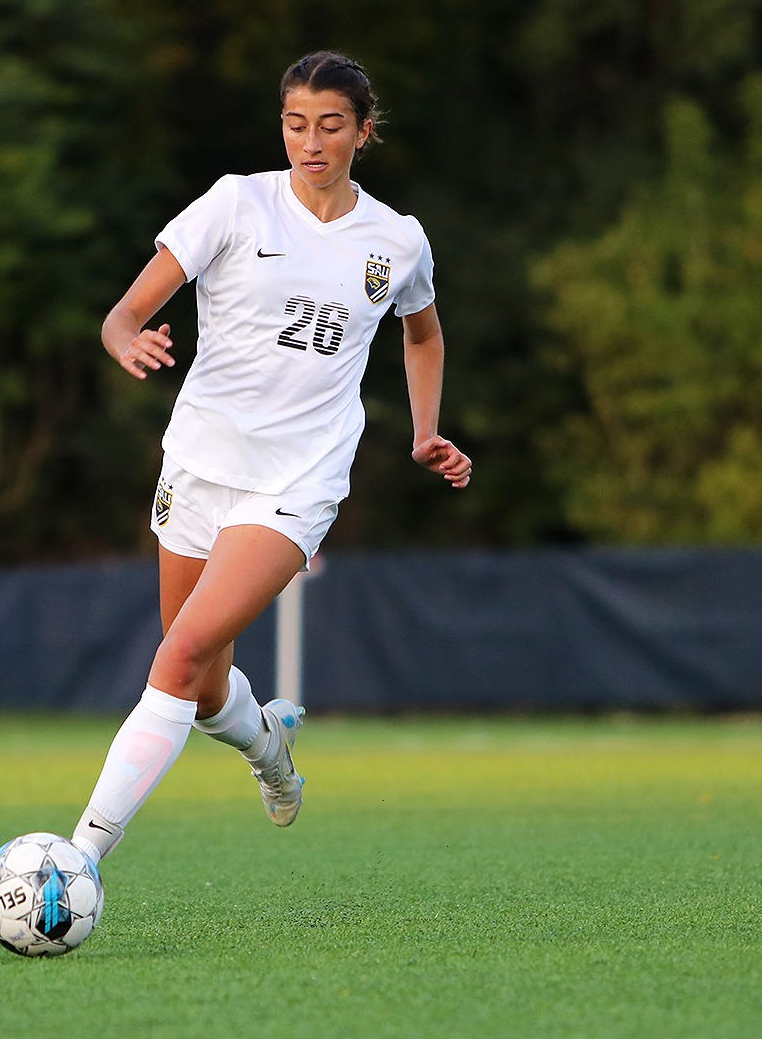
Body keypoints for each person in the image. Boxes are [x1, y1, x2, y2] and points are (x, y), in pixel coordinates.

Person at [70, 50, 472, 865]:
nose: (310, 142)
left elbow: (422, 333)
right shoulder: (235, 203)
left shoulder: (397, 240)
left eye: (330, 126)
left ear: (364, 131)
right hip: (198, 464)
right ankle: (270, 750)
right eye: (295, 125)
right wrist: (124, 339)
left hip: (298, 479)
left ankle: (77, 859)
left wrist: (424, 429)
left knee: (176, 658)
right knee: (207, 682)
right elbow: (125, 311)